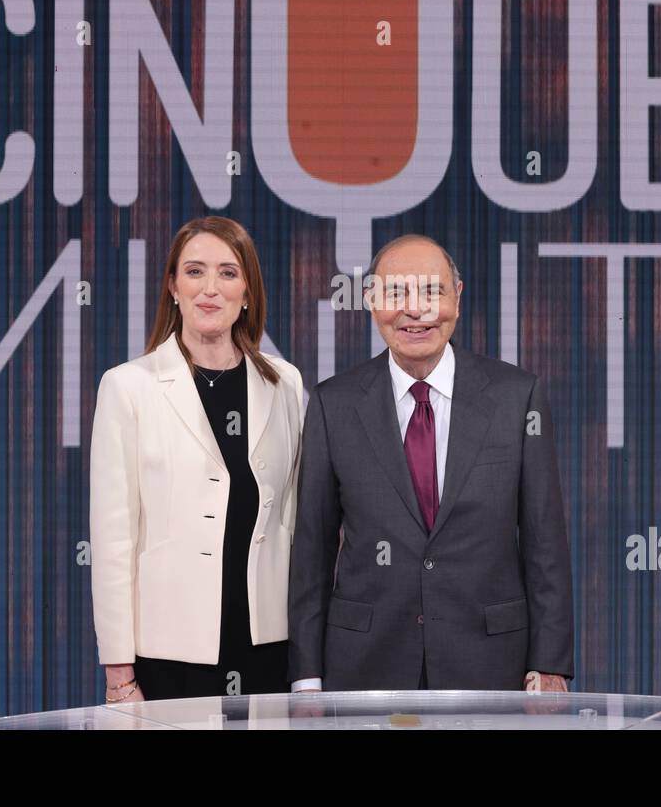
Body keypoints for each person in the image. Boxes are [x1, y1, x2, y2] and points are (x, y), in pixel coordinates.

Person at [288, 234, 573, 692]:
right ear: (371, 301)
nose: (415, 310)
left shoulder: (516, 397)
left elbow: (546, 544)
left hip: (490, 663)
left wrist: (550, 663)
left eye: (431, 292)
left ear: (457, 299)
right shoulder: (332, 404)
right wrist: (305, 676)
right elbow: (311, 553)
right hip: (366, 665)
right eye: (396, 292)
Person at [90, 216, 304, 702]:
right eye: (194, 271)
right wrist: (120, 675)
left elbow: (294, 515)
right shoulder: (129, 387)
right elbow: (113, 540)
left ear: (247, 290)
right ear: (172, 286)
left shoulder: (284, 383)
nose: (211, 288)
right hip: (168, 650)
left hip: (266, 643)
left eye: (228, 273)